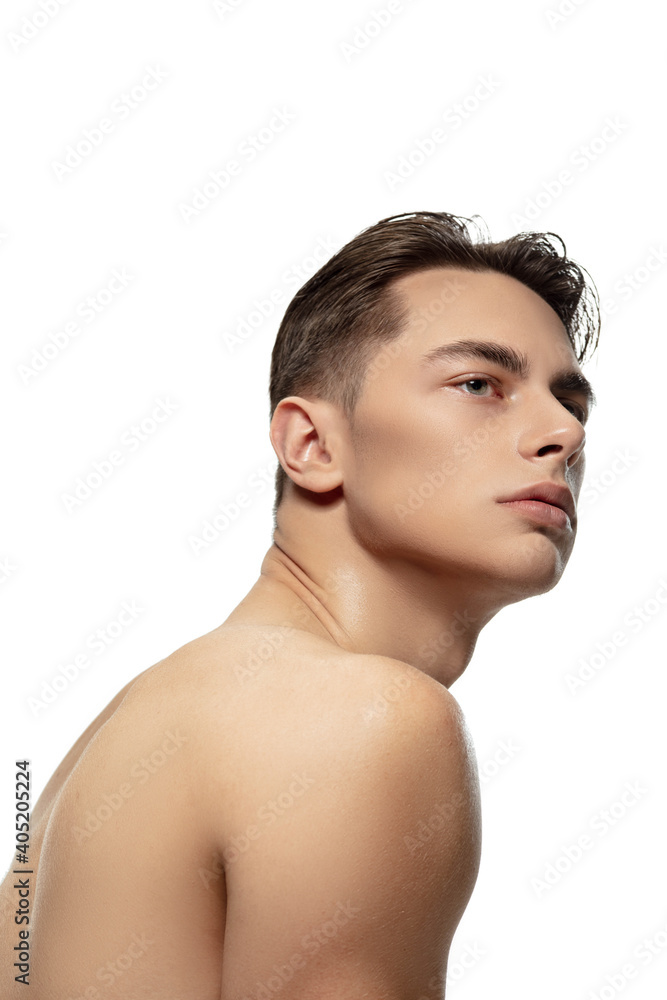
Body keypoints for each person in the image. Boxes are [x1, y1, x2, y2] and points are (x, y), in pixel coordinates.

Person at [1, 211, 600, 999]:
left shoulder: (119, 746)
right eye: (478, 385)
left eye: (571, 403)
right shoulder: (366, 718)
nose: (561, 432)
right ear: (311, 445)